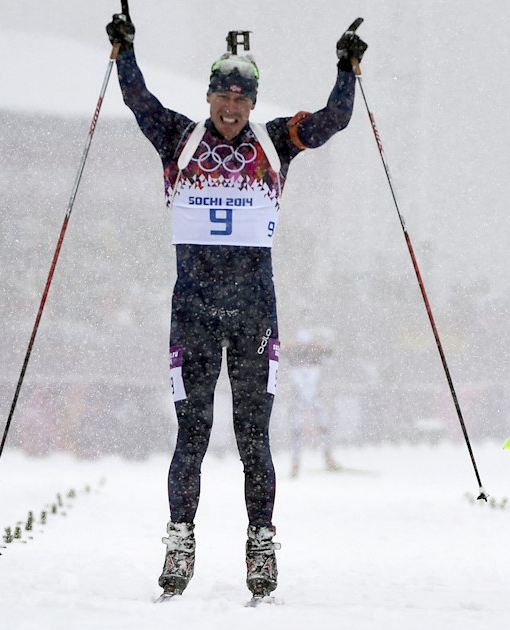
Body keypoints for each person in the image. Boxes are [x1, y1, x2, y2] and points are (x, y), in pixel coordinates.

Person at [105, 11, 367, 599]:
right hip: (192, 313)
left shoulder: (274, 142)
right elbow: (136, 98)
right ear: (207, 96)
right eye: (222, 94)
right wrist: (124, 49)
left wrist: (345, 68)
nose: (230, 106)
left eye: (240, 97)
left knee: (255, 437)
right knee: (191, 434)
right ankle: (179, 538)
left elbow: (334, 120)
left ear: (252, 102)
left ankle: (261, 544)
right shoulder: (179, 138)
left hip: (254, 315)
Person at [287, 328, 339, 477]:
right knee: (297, 431)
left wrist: (321, 347)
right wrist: (287, 346)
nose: (305, 353)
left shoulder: (316, 358)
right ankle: (295, 463)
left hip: (314, 397)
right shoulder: (293, 358)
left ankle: (328, 457)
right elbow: (278, 352)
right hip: (300, 399)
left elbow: (330, 355)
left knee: (323, 427)